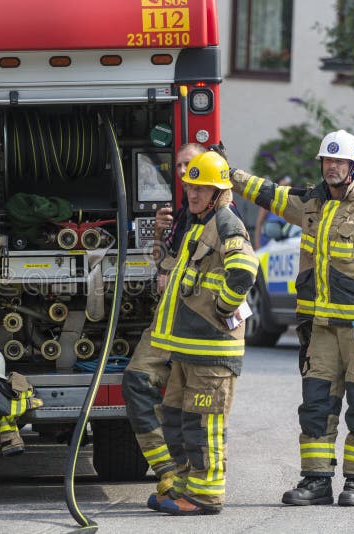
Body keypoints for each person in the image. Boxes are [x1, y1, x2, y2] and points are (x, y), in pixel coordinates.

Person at [228, 130, 354, 506]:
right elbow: (270, 193)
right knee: (316, 406)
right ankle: (316, 481)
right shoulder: (311, 203)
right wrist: (228, 173)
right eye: (328, 160)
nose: (333, 167)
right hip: (321, 330)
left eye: (340, 161)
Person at [150, 150, 258, 515]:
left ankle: (205, 496)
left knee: (203, 426)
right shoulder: (197, 223)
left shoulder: (226, 223)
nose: (193, 194)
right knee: (176, 419)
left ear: (219, 192)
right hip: (187, 349)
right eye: (190, 187)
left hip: (212, 351)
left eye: (202, 189)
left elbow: (243, 271)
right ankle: (183, 485)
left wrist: (224, 308)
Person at [122, 142, 206, 500]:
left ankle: (193, 479)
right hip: (166, 322)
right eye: (181, 167)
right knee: (137, 382)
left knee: (187, 406)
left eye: (192, 165)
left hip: (197, 326)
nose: (185, 173)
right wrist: (158, 234)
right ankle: (168, 471)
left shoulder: (218, 218)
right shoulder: (181, 214)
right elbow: (161, 268)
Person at [253, 175, 292, 249]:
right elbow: (259, 223)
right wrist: (257, 245)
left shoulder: (290, 203)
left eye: (288, 185)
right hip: (268, 245)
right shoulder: (269, 201)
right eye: (284, 185)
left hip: (285, 246)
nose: (286, 188)